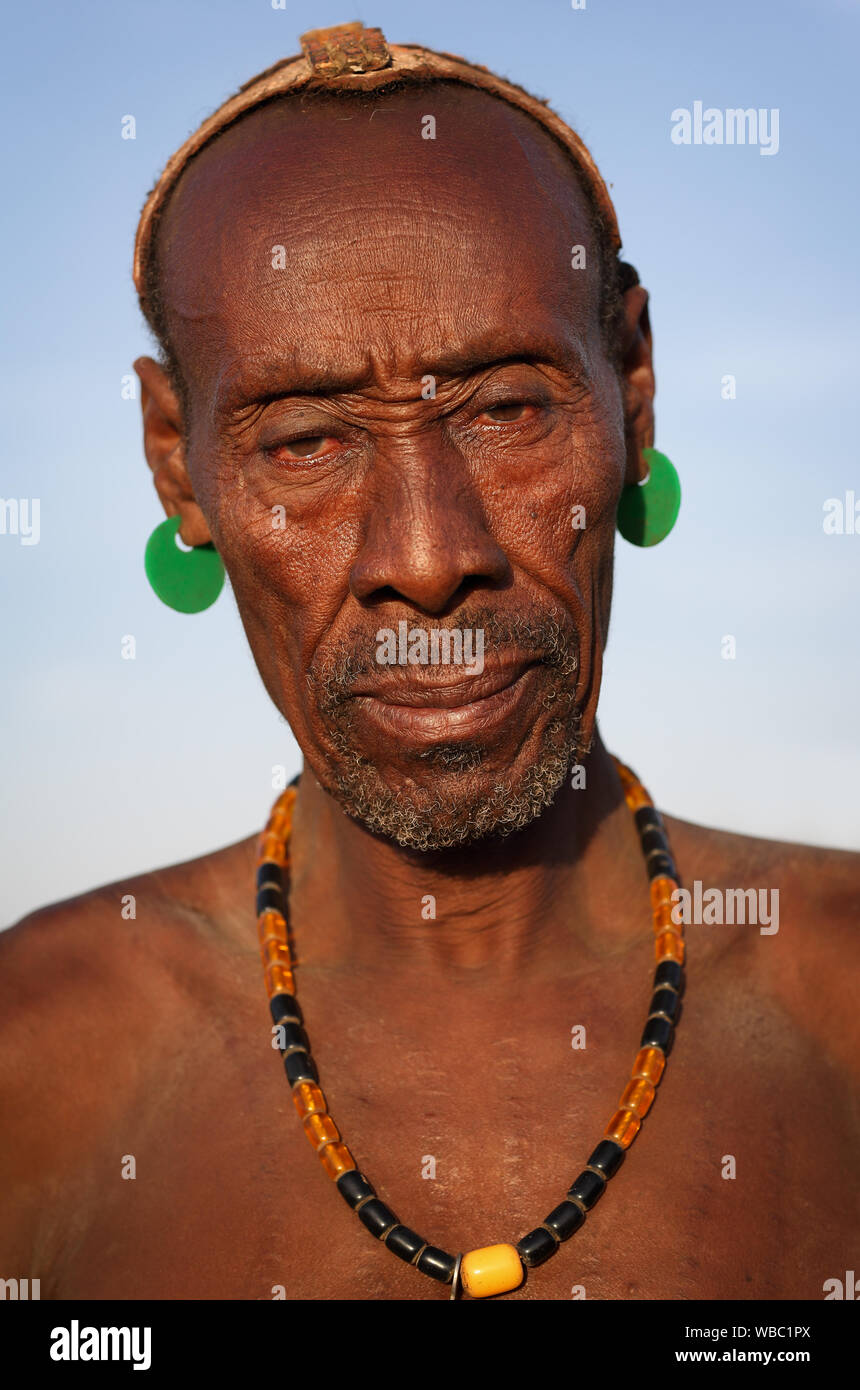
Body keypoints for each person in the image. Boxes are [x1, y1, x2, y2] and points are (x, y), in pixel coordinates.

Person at [1, 22, 857, 1301]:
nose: (425, 553)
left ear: (631, 386)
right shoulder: (40, 1059)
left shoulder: (836, 997)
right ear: (176, 463)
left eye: (507, 409)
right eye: (303, 441)